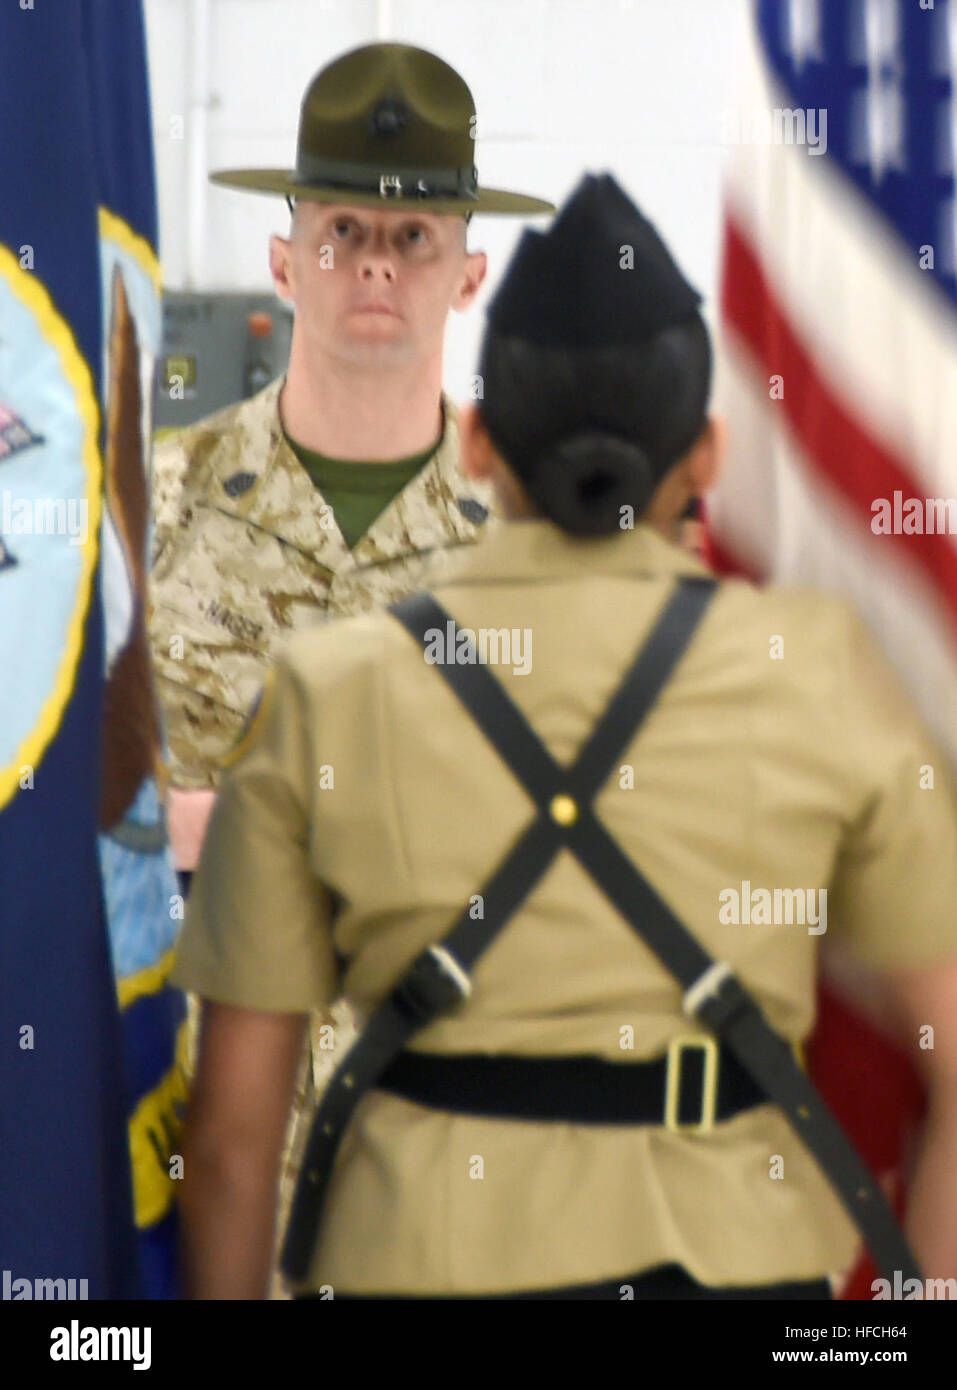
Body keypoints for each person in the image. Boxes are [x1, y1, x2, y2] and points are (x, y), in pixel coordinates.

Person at [170, 172, 957, 1299]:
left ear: (480, 442)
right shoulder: (818, 674)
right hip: (741, 1272)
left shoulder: (328, 693)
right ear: (709, 458)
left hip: (420, 1269)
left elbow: (234, 1144)